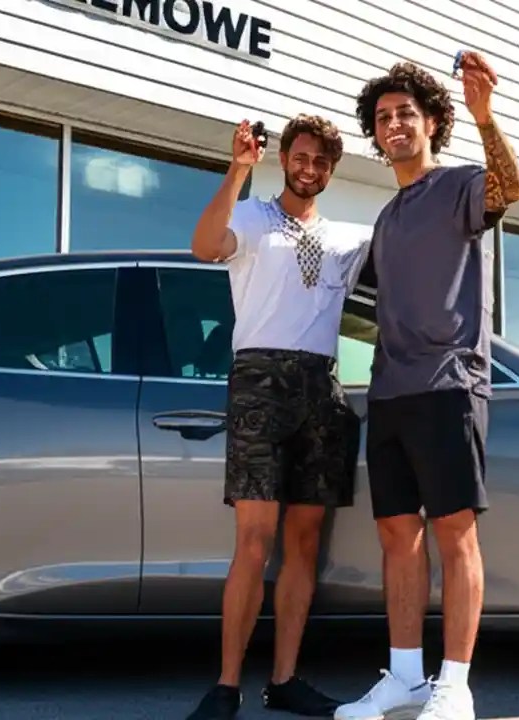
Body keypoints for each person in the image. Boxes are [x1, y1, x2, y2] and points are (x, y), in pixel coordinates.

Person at [334, 53, 519, 720]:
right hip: (389, 394)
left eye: (406, 114)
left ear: (432, 123)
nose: (393, 125)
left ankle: (455, 684)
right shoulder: (386, 219)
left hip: (449, 384)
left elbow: (509, 190)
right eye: (383, 117)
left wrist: (485, 117)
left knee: (454, 536)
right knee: (396, 537)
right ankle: (406, 677)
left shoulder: (459, 186)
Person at [185, 114, 370, 720]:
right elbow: (204, 247)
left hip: (323, 386)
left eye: (321, 161)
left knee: (304, 543)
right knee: (253, 542)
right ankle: (227, 685)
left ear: (330, 171)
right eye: (302, 156)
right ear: (285, 157)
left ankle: (286, 680)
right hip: (260, 383)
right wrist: (239, 168)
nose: (310, 168)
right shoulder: (253, 217)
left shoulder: (349, 239)